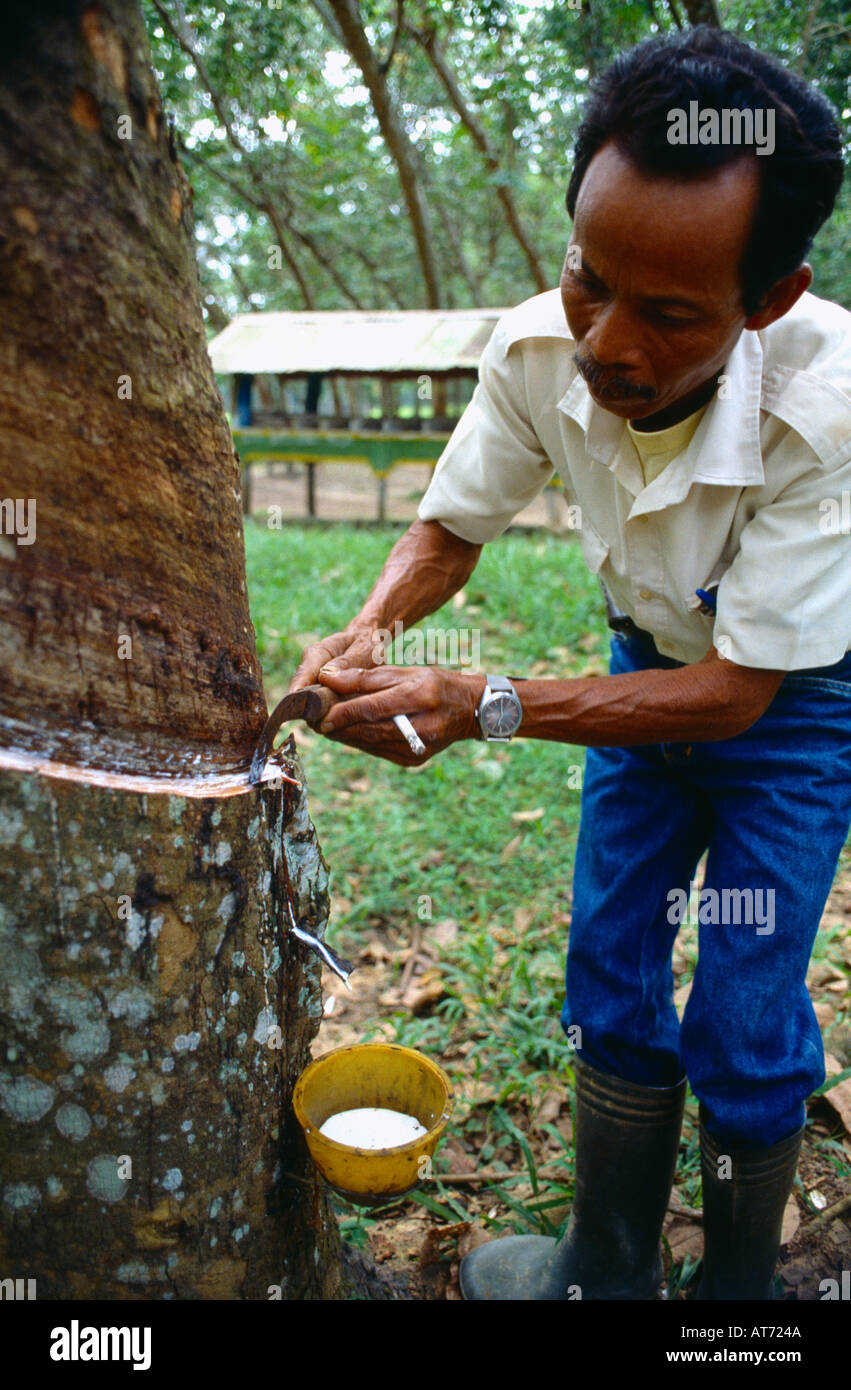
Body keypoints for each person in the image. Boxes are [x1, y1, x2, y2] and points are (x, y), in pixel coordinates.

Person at [289, 26, 850, 1300]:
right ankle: (602, 1262)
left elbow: (734, 696)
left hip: (786, 711)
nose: (604, 342)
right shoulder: (540, 344)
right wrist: (377, 625)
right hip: (635, 670)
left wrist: (481, 701)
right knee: (608, 965)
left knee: (745, 1010)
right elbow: (451, 524)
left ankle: (739, 1293)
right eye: (590, 278)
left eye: (665, 314)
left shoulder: (825, 413)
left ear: (767, 300)